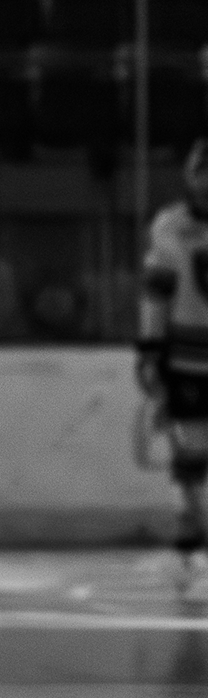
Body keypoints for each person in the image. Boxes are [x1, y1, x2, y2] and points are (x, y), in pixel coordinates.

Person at [137, 138, 208, 558]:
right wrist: (150, 348)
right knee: (192, 439)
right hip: (188, 355)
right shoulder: (170, 227)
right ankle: (188, 512)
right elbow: (156, 295)